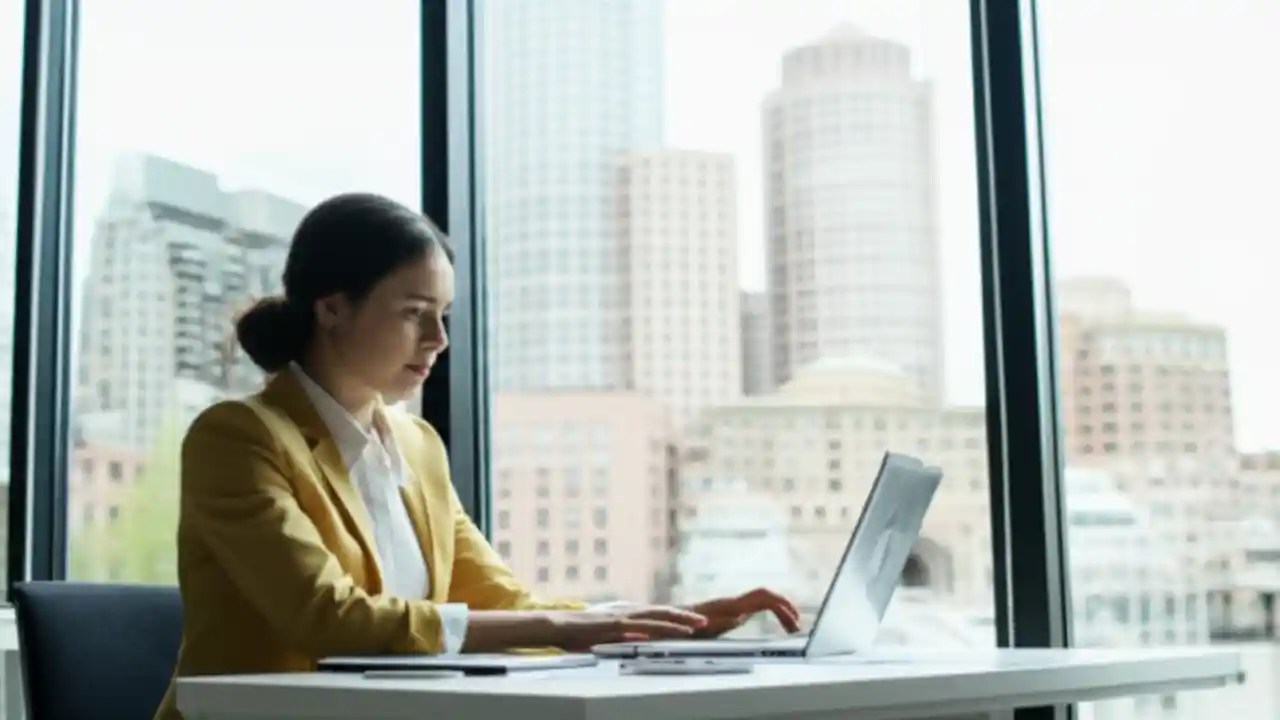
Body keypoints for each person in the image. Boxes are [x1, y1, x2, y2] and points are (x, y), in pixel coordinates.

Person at [154, 193, 800, 719]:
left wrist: (650, 624)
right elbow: (329, 618)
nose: (438, 338)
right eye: (414, 313)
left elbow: (501, 601)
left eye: (443, 314)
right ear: (332, 308)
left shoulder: (416, 446)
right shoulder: (240, 436)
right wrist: (570, 628)